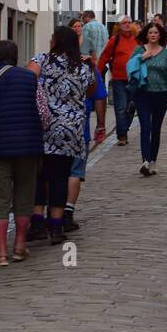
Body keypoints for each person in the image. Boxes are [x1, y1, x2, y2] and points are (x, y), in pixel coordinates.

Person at [0, 40, 50, 267]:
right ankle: (19, 247)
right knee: (24, 198)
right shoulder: (30, 79)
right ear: (16, 57)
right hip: (28, 147)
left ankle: (1, 254)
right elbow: (44, 115)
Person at [26, 27, 95, 245]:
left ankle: (37, 222)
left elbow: (26, 80)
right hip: (70, 130)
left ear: (57, 41)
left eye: (52, 37)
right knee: (60, 177)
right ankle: (56, 226)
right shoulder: (83, 69)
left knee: (39, 175)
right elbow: (91, 92)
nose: (49, 39)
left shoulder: (41, 60)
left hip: (43, 126)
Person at [63, 18, 107, 230]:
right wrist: (101, 125)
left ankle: (51, 213)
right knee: (75, 171)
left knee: (55, 171)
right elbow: (99, 97)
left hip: (52, 129)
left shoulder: (46, 66)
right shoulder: (87, 69)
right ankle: (67, 212)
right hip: (79, 126)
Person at [128, 21, 167, 176]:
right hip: (142, 93)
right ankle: (145, 160)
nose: (153, 35)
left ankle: (152, 160)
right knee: (145, 127)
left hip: (161, 94)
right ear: (146, 34)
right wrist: (141, 58)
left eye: (156, 33)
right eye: (150, 32)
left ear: (160, 35)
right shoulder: (138, 50)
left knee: (155, 129)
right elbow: (129, 68)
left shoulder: (166, 54)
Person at [98, 16, 139, 146]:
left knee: (131, 107)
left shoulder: (138, 40)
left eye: (129, 22)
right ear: (119, 26)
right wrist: (97, 74)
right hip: (119, 79)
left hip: (134, 80)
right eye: (124, 23)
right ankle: (122, 135)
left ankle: (124, 128)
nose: (127, 25)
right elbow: (104, 56)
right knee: (121, 108)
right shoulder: (114, 40)